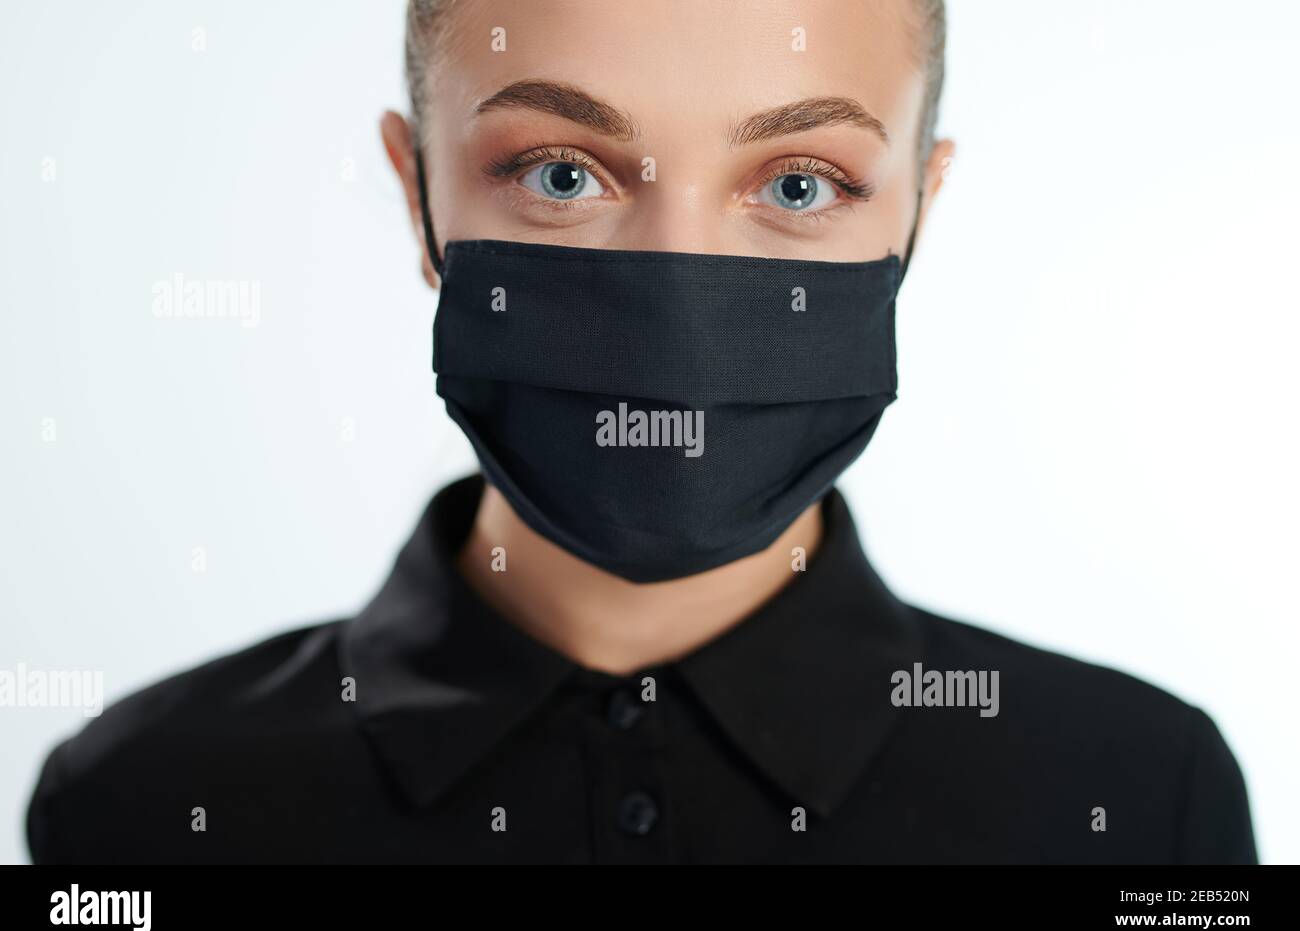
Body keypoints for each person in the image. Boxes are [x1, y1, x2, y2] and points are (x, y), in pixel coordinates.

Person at [26, 0, 1256, 863]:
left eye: (797, 185)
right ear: (417, 197)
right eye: (561, 174)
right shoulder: (141, 806)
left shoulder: (1139, 794)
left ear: (917, 213)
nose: (677, 299)